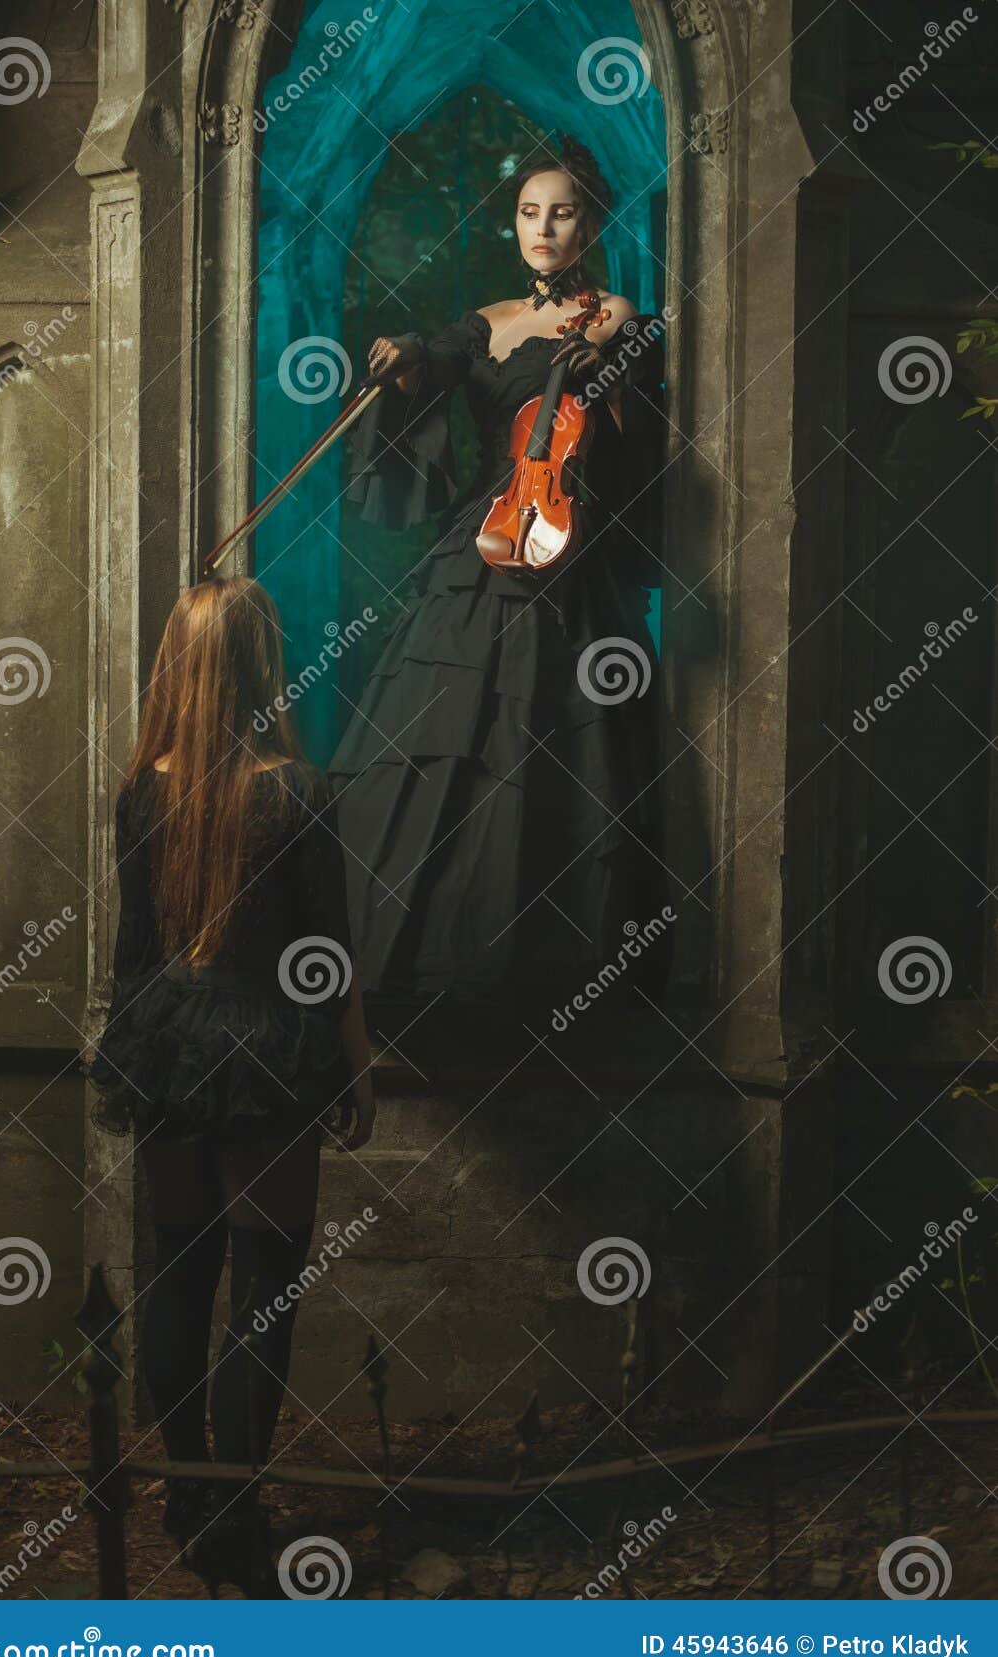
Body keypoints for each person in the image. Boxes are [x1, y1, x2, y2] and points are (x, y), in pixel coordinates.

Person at [329, 134, 674, 1013]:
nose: (543, 227)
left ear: (588, 220)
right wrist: (404, 360)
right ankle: (407, 966)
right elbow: (436, 364)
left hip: (566, 539)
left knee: (549, 743)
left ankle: (534, 973)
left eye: (561, 211)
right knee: (433, 727)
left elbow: (645, 444)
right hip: (479, 537)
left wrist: (614, 381)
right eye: (528, 212)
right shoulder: (486, 319)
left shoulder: (615, 314)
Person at [85, 576, 375, 1596]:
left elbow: (130, 953)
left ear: (179, 662)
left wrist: (136, 1047)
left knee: (177, 1273)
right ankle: (237, 1508)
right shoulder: (295, 790)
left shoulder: (140, 788)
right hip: (265, 1048)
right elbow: (326, 957)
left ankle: (189, 1492)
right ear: (261, 665)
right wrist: (355, 1064)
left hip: (165, 1036)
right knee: (263, 1287)